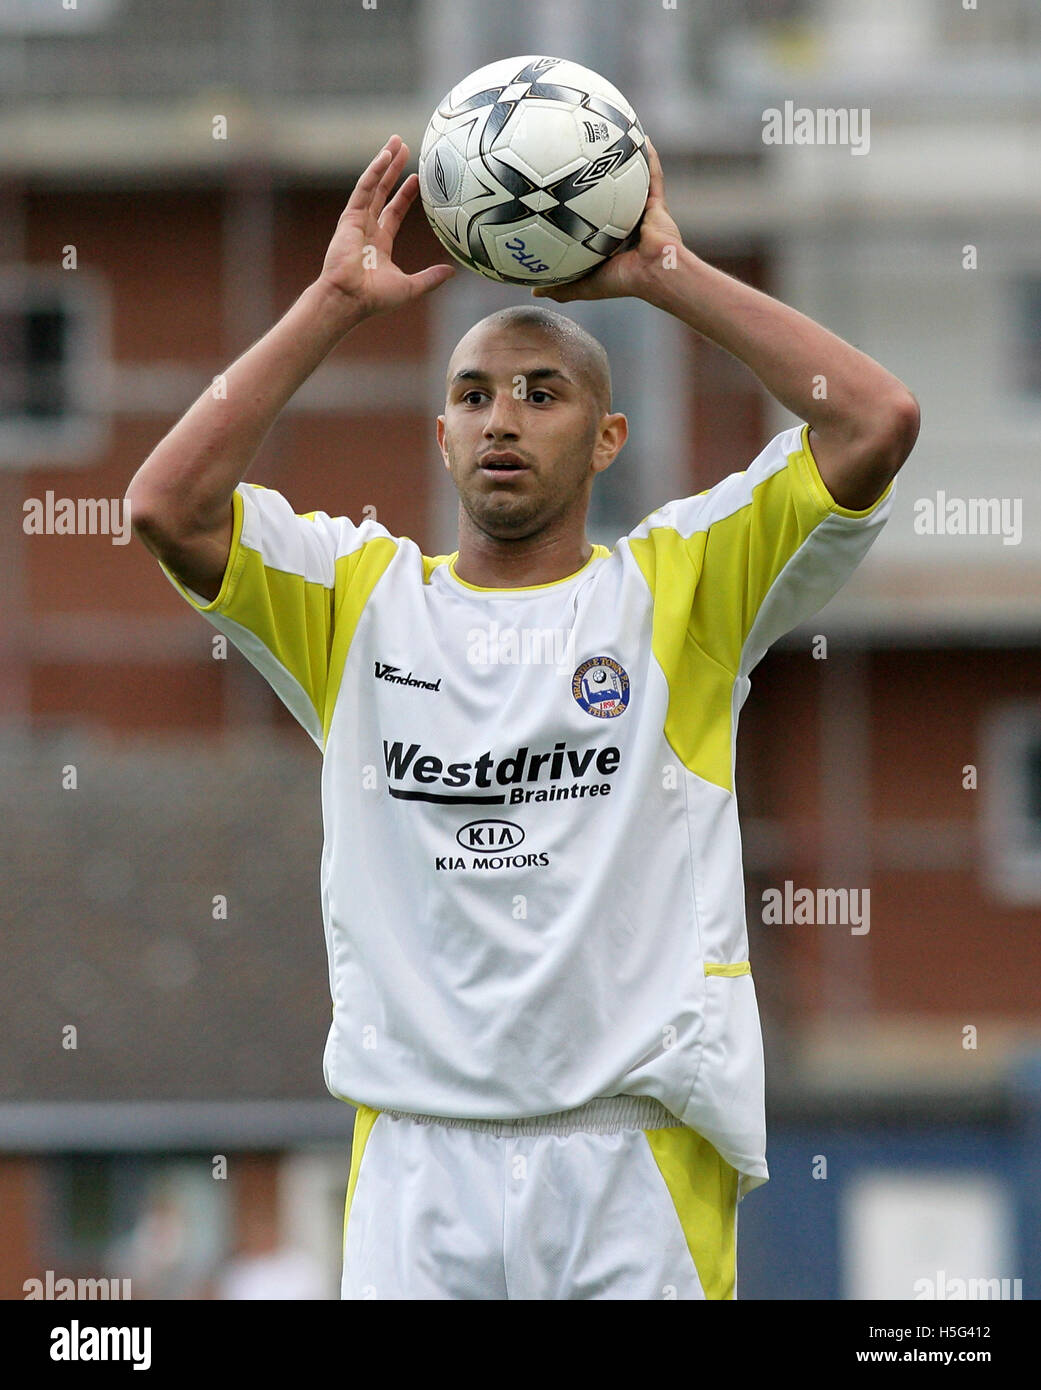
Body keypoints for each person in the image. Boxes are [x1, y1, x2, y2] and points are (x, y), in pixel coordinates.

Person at [126, 133, 919, 1300]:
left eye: (543, 394)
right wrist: (333, 303)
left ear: (609, 439)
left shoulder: (678, 589)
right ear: (439, 435)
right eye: (474, 395)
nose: (504, 417)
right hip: (416, 1159)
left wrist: (667, 274)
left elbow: (874, 419)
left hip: (631, 1156)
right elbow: (165, 504)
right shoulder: (357, 603)